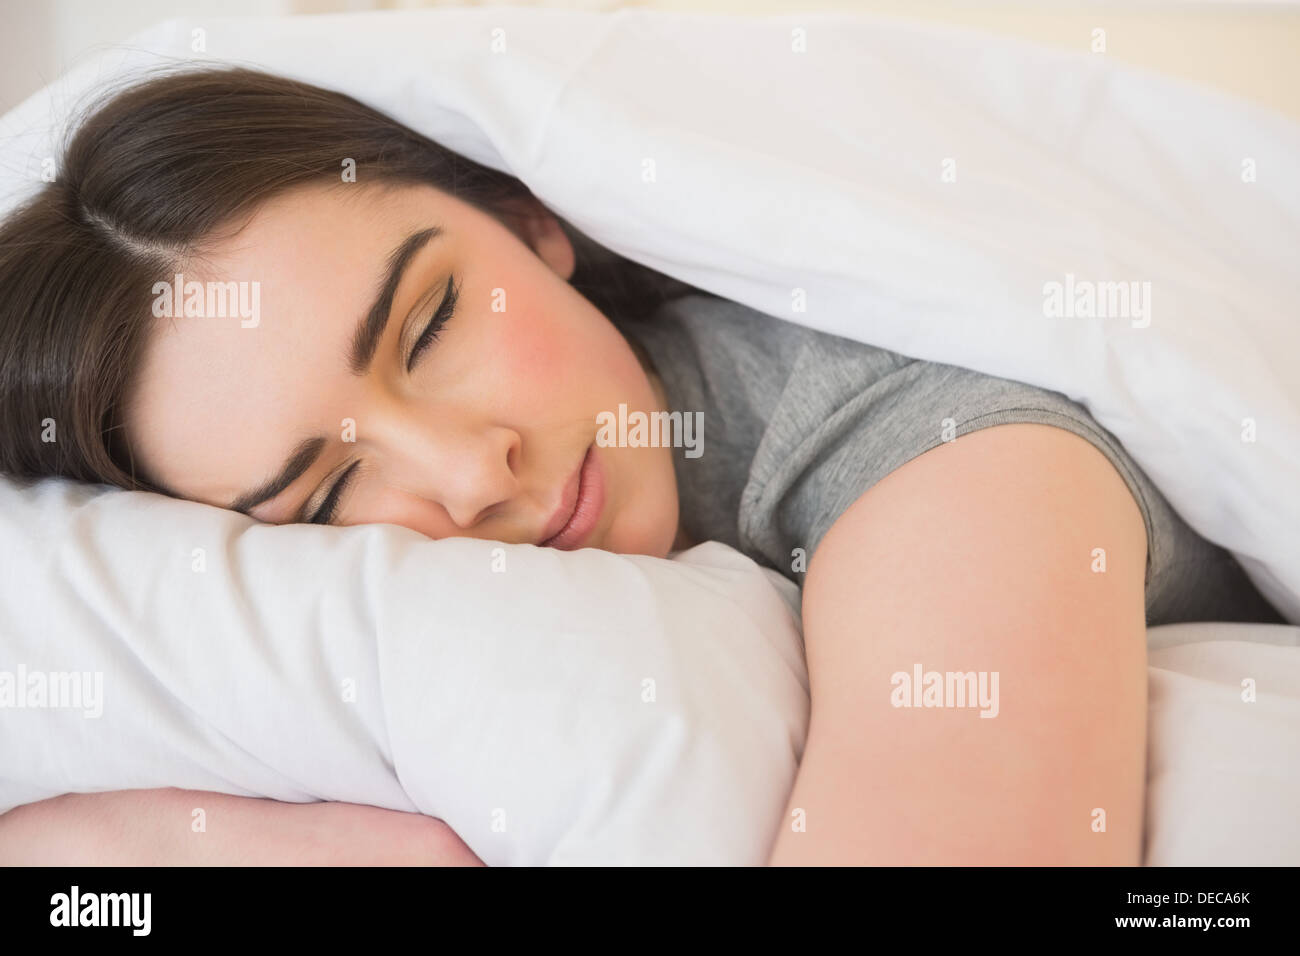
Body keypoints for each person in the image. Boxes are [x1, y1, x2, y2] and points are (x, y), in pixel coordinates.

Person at [0, 67, 1282, 867]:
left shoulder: (932, 445)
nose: (466, 472)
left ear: (527, 218)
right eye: (326, 493)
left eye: (432, 327)